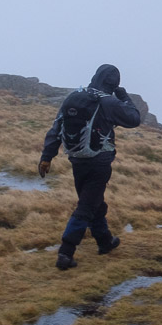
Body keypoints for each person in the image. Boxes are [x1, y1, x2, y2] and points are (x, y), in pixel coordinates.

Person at [39, 63, 142, 270]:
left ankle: (105, 241)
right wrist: (123, 96)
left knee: (93, 202)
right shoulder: (109, 101)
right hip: (99, 161)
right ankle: (65, 252)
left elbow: (56, 128)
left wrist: (47, 156)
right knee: (86, 206)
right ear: (114, 83)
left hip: (77, 159)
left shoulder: (74, 97)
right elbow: (134, 119)